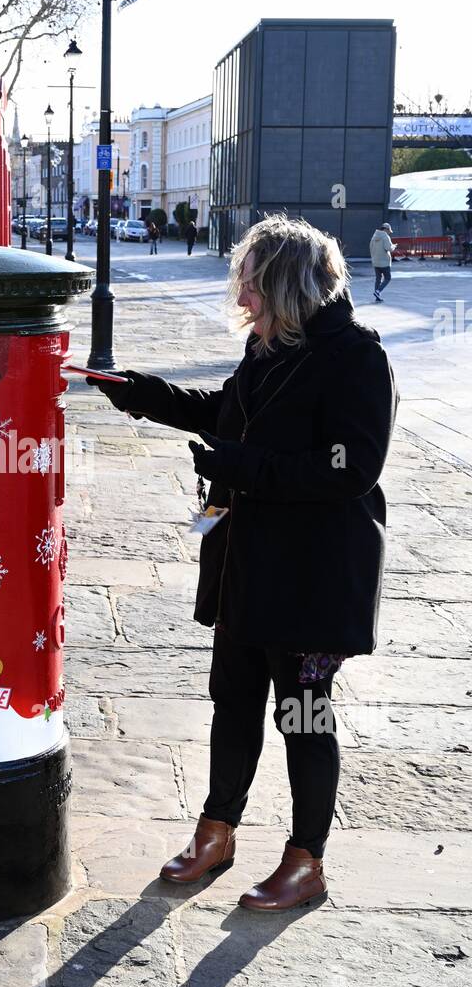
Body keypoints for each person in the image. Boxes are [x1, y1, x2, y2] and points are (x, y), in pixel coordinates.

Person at [87, 214, 398, 912]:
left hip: (313, 579)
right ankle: (217, 831)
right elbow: (224, 410)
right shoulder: (270, 349)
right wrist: (138, 391)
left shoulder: (355, 358)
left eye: (251, 283)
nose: (241, 298)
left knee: (303, 715)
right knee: (233, 704)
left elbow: (348, 469)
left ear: (285, 285)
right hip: (247, 568)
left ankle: (305, 859)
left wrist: (242, 467)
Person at [369, 222, 396, 302]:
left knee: (378, 278)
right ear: (386, 229)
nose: (389, 233)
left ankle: (377, 297)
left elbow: (371, 247)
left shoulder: (374, 236)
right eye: (389, 231)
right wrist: (393, 246)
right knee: (388, 278)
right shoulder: (385, 237)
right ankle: (378, 291)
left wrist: (373, 258)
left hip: (376, 261)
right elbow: (388, 248)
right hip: (384, 262)